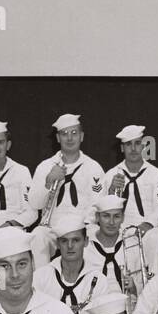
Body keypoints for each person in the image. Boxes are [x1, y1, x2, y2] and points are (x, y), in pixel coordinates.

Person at [27, 113, 105, 267]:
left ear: (82, 136)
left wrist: (80, 227)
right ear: (58, 138)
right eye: (64, 134)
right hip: (52, 227)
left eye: (74, 133)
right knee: (37, 236)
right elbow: (35, 204)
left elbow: (98, 204)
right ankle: (42, 285)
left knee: (95, 237)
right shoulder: (45, 166)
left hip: (83, 226)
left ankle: (91, 285)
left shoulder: (93, 167)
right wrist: (48, 181)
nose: (70, 138)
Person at [102, 124, 158, 274]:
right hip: (120, 229)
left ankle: (155, 283)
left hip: (147, 229)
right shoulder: (111, 174)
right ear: (122, 148)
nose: (133, 148)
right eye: (128, 144)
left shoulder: (155, 174)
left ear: (143, 146)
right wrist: (111, 191)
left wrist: (148, 224)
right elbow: (100, 209)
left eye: (137, 143)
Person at [34, 211, 114, 314]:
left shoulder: (99, 280)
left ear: (86, 242)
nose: (70, 246)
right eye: (64, 241)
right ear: (57, 244)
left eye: (76, 240)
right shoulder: (41, 277)